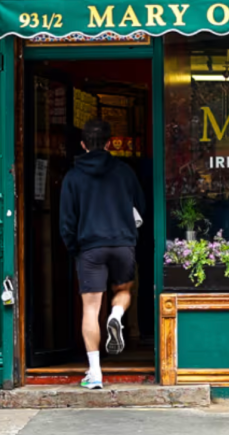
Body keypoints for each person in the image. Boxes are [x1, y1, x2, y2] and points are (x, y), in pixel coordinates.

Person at [59, 118, 145, 390]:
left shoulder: (73, 176)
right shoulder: (125, 171)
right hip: (122, 244)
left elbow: (67, 221)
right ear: (109, 143)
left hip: (90, 248)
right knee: (124, 291)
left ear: (83, 144)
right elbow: (140, 207)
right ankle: (117, 315)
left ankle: (95, 373)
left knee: (90, 309)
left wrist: (75, 249)